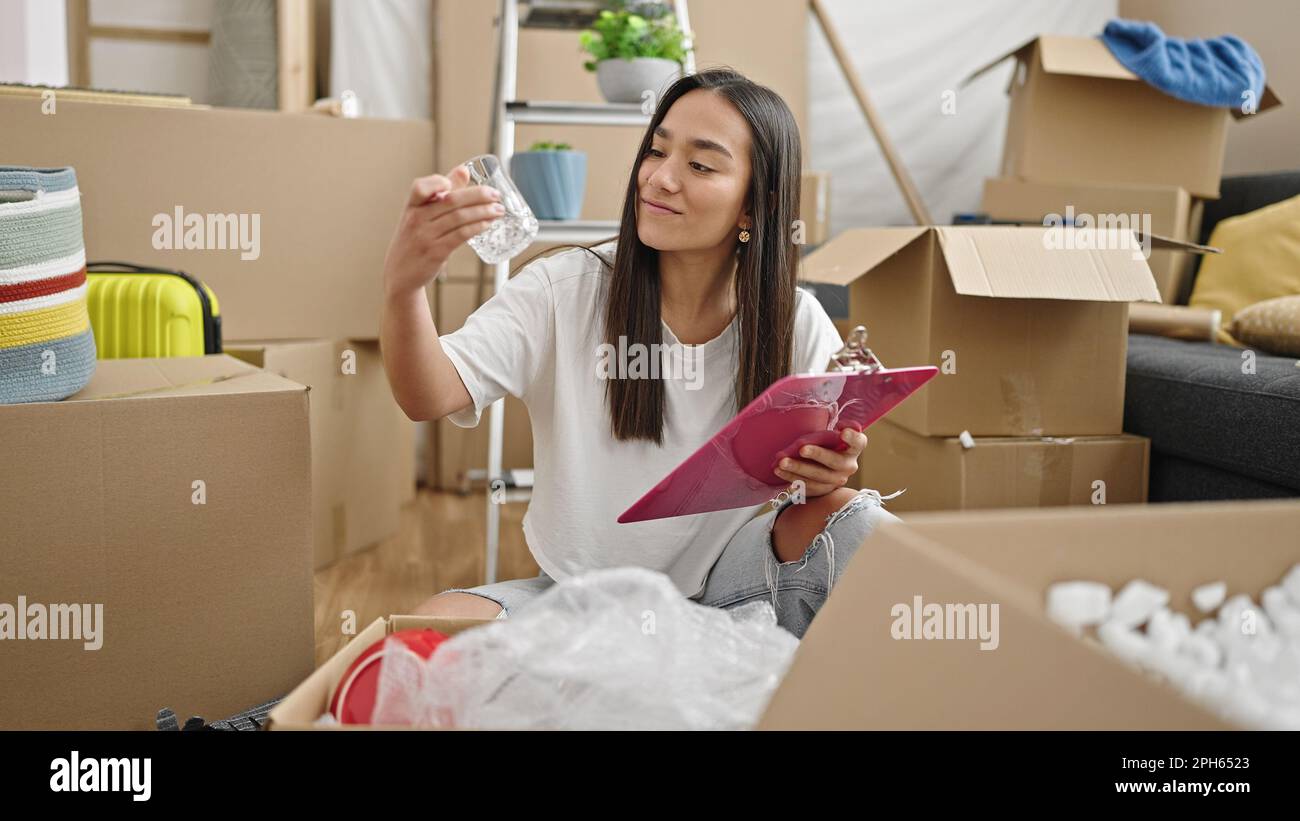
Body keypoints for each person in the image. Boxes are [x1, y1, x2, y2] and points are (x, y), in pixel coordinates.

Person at [379, 68, 900, 639]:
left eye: (700, 165)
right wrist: (405, 287)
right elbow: (427, 394)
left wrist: (825, 476)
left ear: (754, 207)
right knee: (422, 633)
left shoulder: (793, 321)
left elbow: (811, 500)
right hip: (578, 603)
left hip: (728, 595)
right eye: (656, 151)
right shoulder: (564, 289)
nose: (660, 179)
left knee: (856, 518)